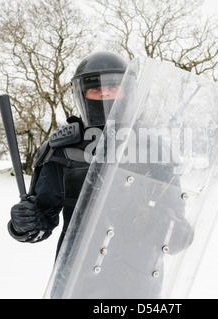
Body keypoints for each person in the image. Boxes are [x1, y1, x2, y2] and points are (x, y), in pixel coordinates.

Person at [8, 51, 128, 254]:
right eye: (96, 88)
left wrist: (176, 227)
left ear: (128, 90)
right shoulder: (65, 150)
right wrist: (25, 222)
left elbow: (175, 221)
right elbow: (42, 221)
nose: (105, 94)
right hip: (76, 269)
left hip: (140, 270)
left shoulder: (152, 147)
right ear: (82, 94)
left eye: (113, 87)